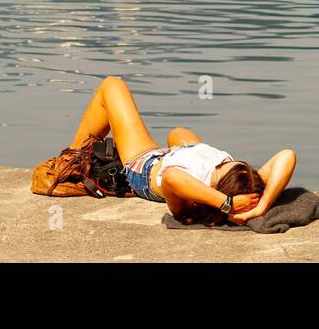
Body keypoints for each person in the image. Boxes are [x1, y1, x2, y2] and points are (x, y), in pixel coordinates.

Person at [69, 76, 296, 225]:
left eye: (223, 168)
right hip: (182, 154)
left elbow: (170, 176)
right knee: (178, 131)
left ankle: (70, 161)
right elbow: (287, 155)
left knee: (112, 86)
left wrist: (226, 203)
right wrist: (261, 206)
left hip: (145, 163)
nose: (224, 161)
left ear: (216, 186)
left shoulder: (193, 188)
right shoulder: (247, 186)